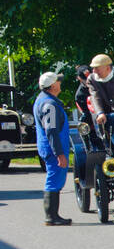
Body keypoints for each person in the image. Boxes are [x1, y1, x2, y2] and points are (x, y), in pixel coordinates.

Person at [34, 71, 72, 226]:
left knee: (54, 179)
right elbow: (51, 130)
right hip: (52, 149)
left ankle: (53, 215)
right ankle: (51, 216)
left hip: (48, 147)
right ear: (53, 86)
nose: (60, 83)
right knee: (54, 180)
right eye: (58, 81)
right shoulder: (49, 104)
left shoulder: (43, 100)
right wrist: (60, 154)